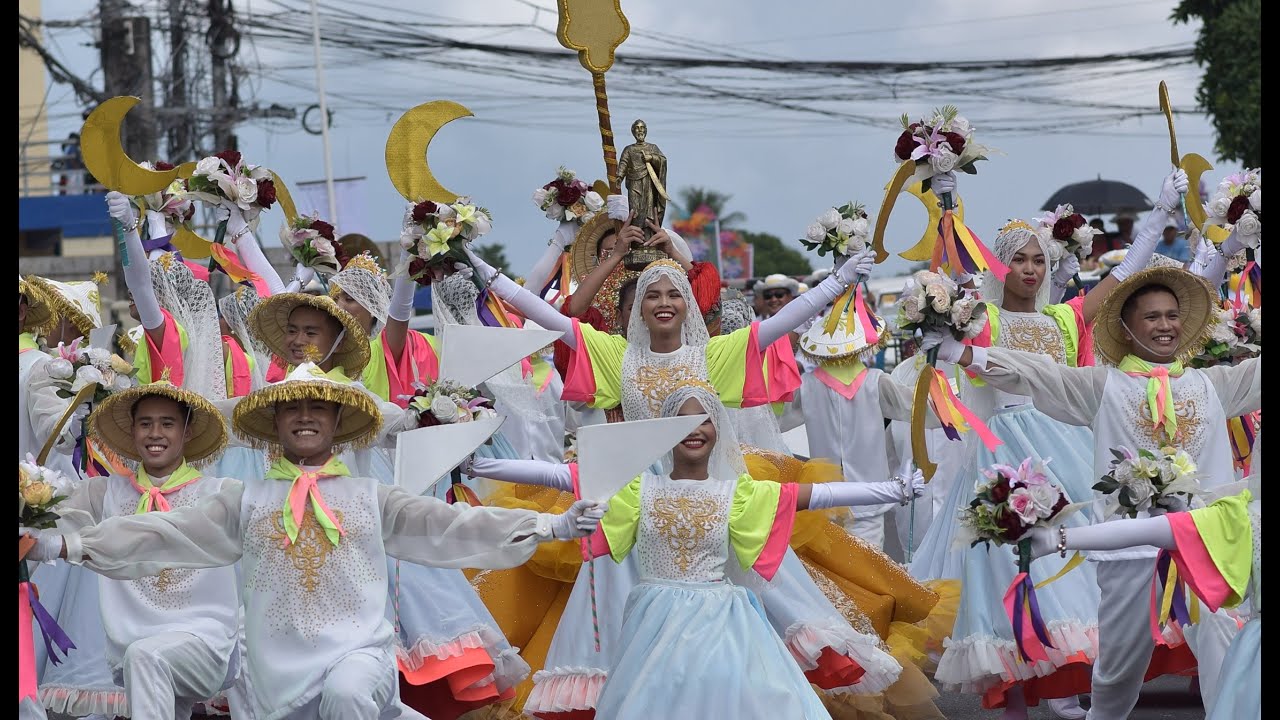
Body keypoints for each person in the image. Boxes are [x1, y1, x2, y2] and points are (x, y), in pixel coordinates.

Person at [24, 362, 606, 719]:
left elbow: (449, 527)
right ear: (275, 426)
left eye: (317, 409)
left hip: (357, 659)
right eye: (292, 409)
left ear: (334, 423)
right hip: (272, 672)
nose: (304, 417)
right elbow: (161, 534)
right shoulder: (243, 501)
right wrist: (61, 547)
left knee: (350, 695)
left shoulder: (367, 497)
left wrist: (549, 526)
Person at [912, 168, 1191, 720]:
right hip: (1004, 459)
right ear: (1001, 266)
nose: (1031, 269)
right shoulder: (980, 318)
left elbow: (1122, 279)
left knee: (1085, 558)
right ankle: (1028, 682)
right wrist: (945, 198)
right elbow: (939, 313)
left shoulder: (1064, 318)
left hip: (1067, 447)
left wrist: (1158, 217)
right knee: (1016, 568)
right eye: (1020, 259)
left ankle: (1071, 672)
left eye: (1039, 260)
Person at [932, 265, 1259, 720]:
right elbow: (1038, 375)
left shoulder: (1215, 383)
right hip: (1129, 547)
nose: (1164, 325)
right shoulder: (1102, 386)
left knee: (1224, 646)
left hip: (1210, 542)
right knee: (1118, 669)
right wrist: (962, 354)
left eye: (1171, 315)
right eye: (1151, 317)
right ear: (1126, 329)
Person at [591, 381, 926, 719]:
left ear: (718, 429)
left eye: (704, 419)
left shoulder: (737, 495)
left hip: (718, 623)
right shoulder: (637, 490)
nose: (694, 429)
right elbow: (561, 477)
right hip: (653, 626)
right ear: (665, 429)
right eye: (681, 420)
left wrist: (893, 489)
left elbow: (817, 495)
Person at [23, 383, 240, 719]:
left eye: (168, 423)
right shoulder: (104, 493)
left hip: (202, 642)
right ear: (133, 429)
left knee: (146, 656)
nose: (155, 433)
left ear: (188, 431)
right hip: (132, 649)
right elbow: (54, 515)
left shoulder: (219, 494)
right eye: (145, 423)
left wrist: (68, 546)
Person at [1022, 434, 1260, 720]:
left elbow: (1147, 531)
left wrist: (1058, 539)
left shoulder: (1246, 518)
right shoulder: (1245, 517)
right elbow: (1155, 530)